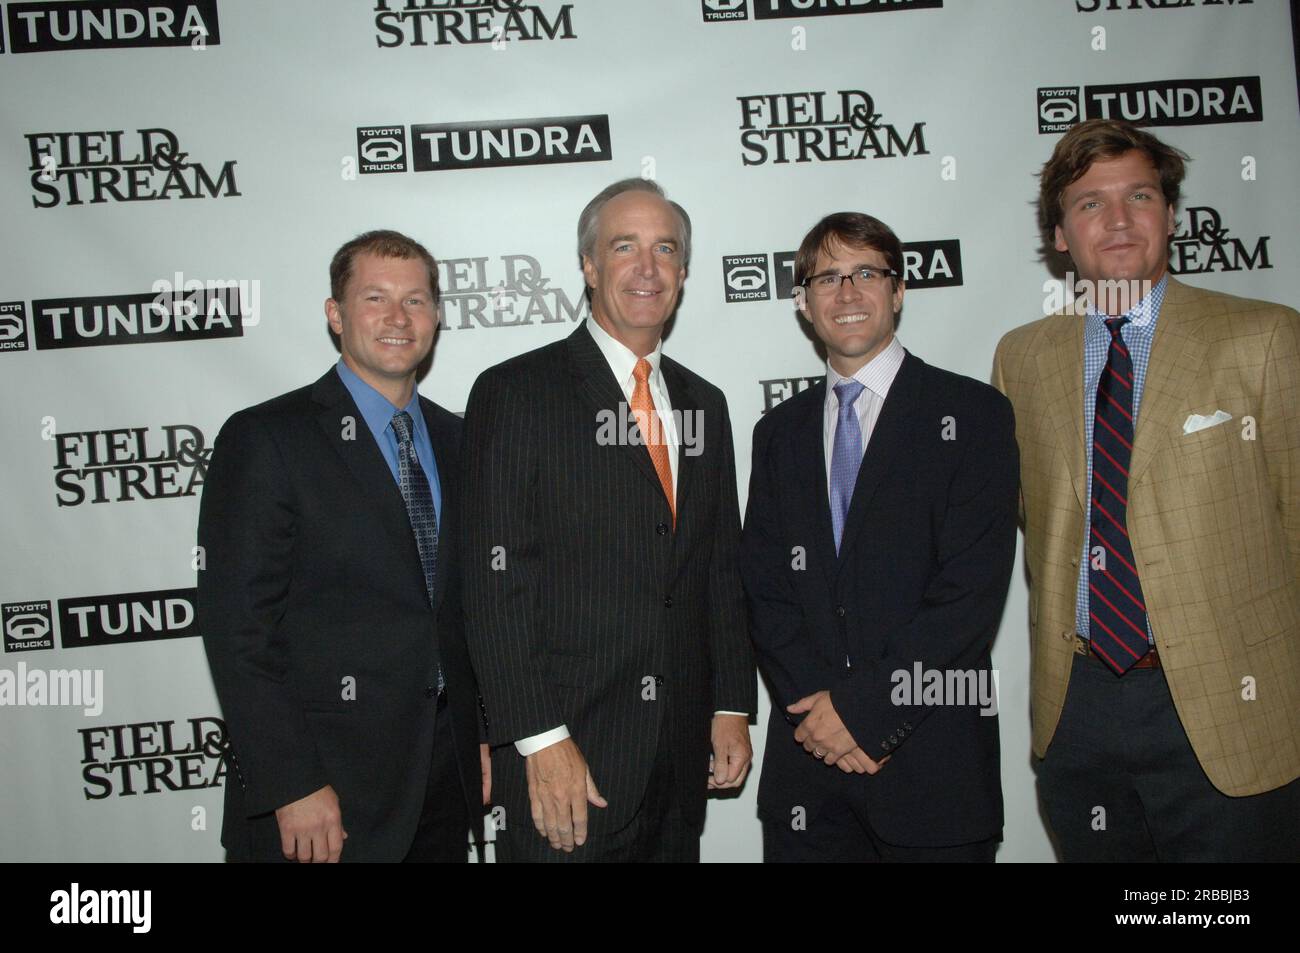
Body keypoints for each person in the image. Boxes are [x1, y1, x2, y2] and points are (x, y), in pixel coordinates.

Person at [993, 118, 1300, 861]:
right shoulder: (1022, 358)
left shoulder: (1264, 337)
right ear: (1061, 235)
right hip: (1081, 708)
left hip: (1234, 702)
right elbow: (1033, 520)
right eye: (1090, 203)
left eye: (1139, 196)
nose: (1119, 219)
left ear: (1171, 214)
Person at [461, 178, 756, 862]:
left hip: (677, 768)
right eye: (624, 247)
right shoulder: (516, 392)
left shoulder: (703, 404)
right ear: (589, 266)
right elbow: (492, 584)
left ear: (683, 272)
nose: (647, 268)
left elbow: (718, 568)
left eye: (665, 249)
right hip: (566, 766)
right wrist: (539, 738)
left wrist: (731, 704)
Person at [197, 230, 487, 862]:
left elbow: (466, 611)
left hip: (442, 783)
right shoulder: (267, 438)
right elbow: (238, 629)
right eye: (374, 297)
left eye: (415, 301)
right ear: (335, 313)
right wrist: (291, 782)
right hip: (320, 793)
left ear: (436, 316)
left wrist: (479, 736)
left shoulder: (461, 439)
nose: (396, 318)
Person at [740, 212, 1018, 862]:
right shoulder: (777, 433)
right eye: (827, 277)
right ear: (804, 304)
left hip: (933, 770)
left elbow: (969, 598)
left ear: (897, 290)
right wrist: (823, 718)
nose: (848, 292)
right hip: (808, 778)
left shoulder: (972, 415)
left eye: (867, 272)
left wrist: (865, 715)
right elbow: (765, 588)